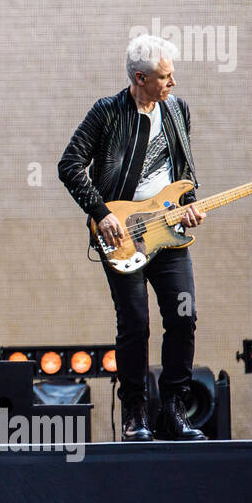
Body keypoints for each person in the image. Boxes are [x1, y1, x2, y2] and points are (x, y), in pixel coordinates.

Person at [57, 34, 206, 442]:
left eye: (172, 75)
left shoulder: (177, 110)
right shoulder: (106, 112)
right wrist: (100, 213)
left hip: (168, 233)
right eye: (163, 77)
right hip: (123, 235)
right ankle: (135, 413)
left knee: (183, 316)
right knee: (135, 323)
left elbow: (183, 169)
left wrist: (190, 204)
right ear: (140, 78)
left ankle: (174, 410)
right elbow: (69, 165)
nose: (172, 83)